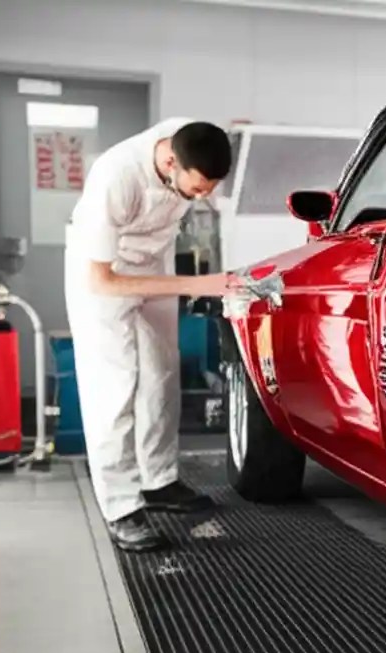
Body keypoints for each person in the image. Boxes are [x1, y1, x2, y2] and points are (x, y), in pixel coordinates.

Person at [64, 118, 237, 552]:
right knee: (115, 387)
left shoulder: (191, 139)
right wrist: (199, 285)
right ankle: (121, 506)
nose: (205, 196)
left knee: (162, 374)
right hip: (102, 273)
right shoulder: (116, 177)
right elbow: (102, 281)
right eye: (198, 190)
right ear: (169, 161)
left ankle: (158, 481)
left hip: (152, 262)